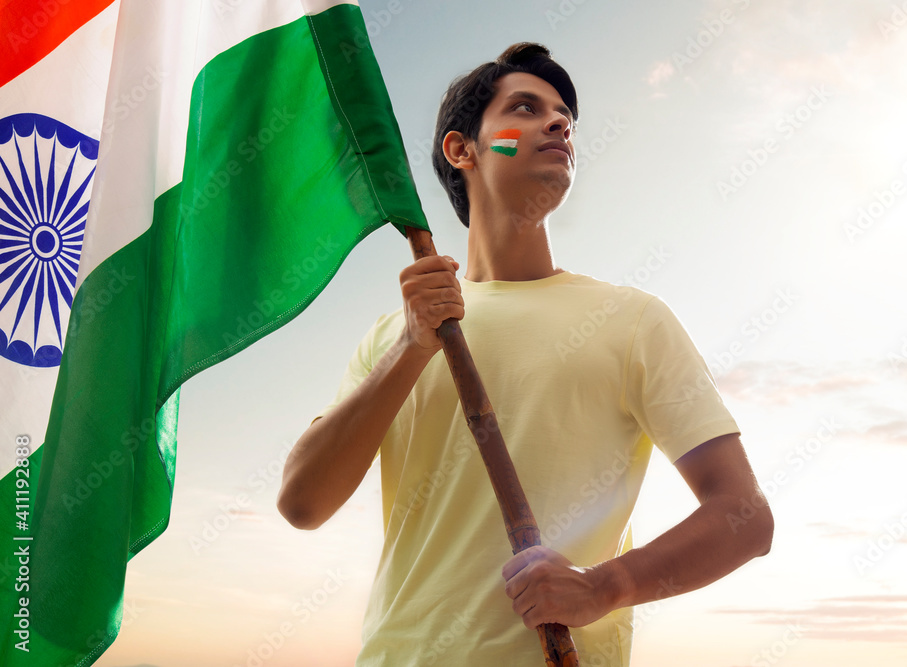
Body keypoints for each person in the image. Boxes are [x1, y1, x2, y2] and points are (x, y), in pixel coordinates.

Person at [277, 42, 773, 666]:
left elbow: (745, 517)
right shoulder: (392, 335)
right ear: (462, 149)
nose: (559, 123)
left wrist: (604, 586)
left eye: (564, 114)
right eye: (525, 108)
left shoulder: (632, 320)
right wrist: (410, 347)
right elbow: (302, 503)